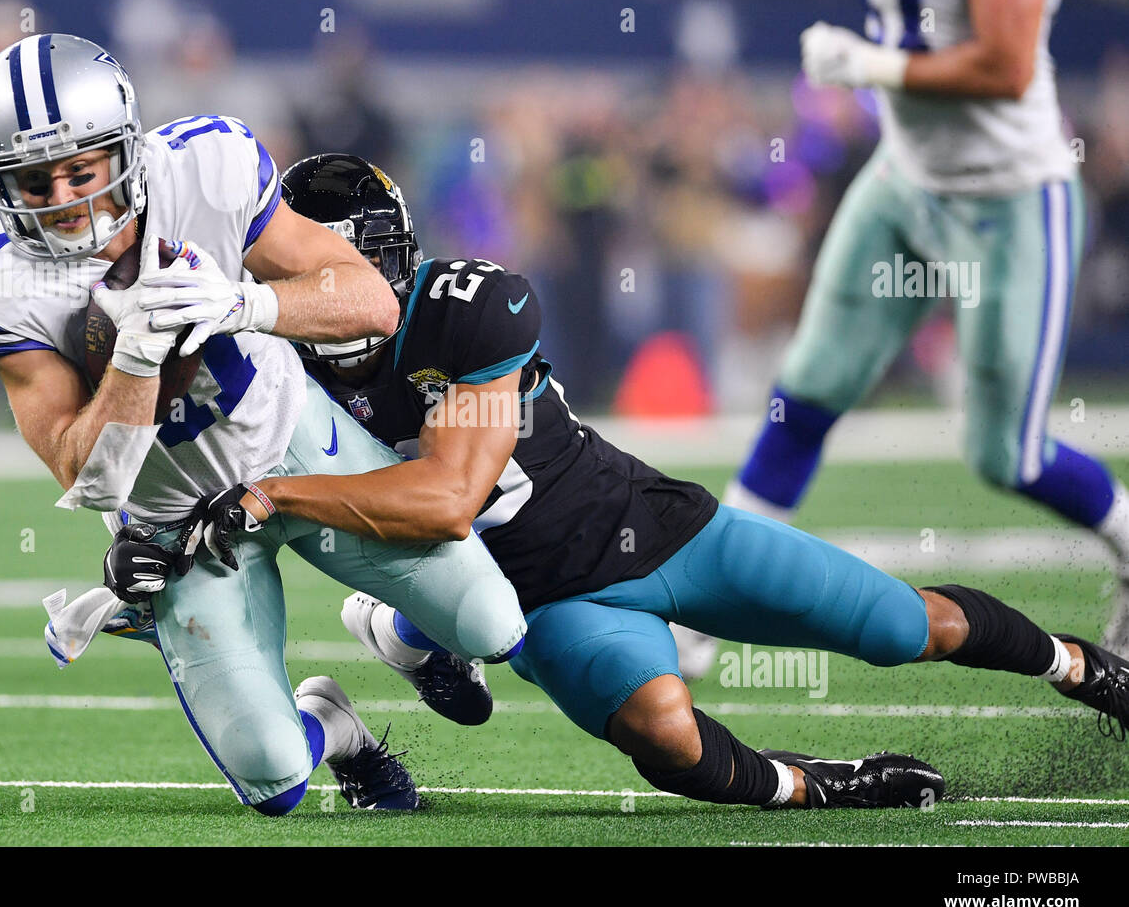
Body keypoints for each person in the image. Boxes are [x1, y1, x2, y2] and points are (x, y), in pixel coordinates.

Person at [104, 153, 1129, 812]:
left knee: (905, 625)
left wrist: (273, 496)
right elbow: (161, 451)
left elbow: (449, 496)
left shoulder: (466, 308)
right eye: (303, 273)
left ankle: (1084, 667)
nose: (329, 293)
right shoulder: (265, 370)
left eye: (345, 268)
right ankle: (822, 784)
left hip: (650, 523)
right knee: (666, 736)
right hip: (541, 604)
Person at [0, 34, 527, 815]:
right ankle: (337, 732)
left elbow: (369, 302)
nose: (68, 200)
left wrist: (244, 303)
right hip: (180, 522)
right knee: (277, 782)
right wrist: (138, 357)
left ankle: (402, 634)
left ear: (127, 149)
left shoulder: (204, 166)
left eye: (83, 169)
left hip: (291, 438)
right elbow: (89, 473)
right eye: (36, 182)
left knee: (494, 625)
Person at [723, 0, 1129, 655]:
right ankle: (708, 607)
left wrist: (869, 66)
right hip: (907, 178)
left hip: (1009, 196)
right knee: (805, 394)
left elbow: (1006, 66)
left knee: (1008, 456)